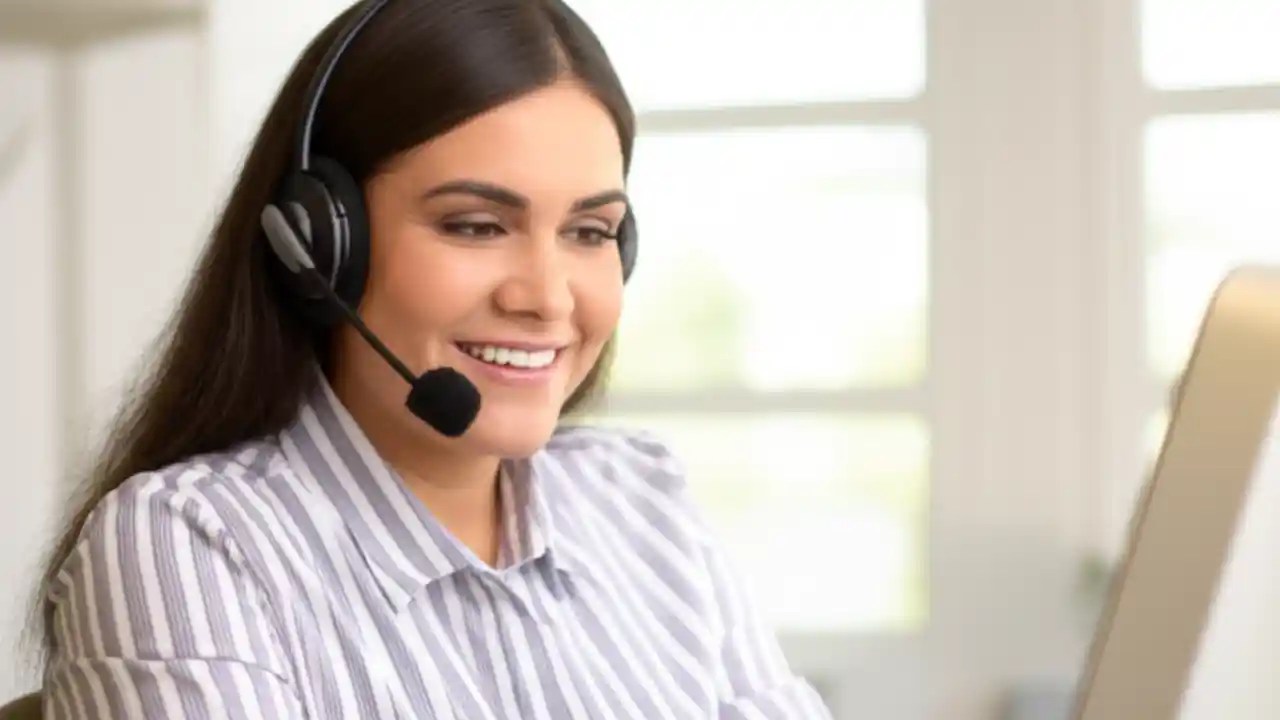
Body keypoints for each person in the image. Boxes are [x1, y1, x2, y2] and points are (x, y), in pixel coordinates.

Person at [36, 0, 833, 717]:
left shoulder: (639, 500)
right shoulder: (193, 545)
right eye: (478, 225)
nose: (549, 299)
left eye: (588, 232)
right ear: (320, 246)